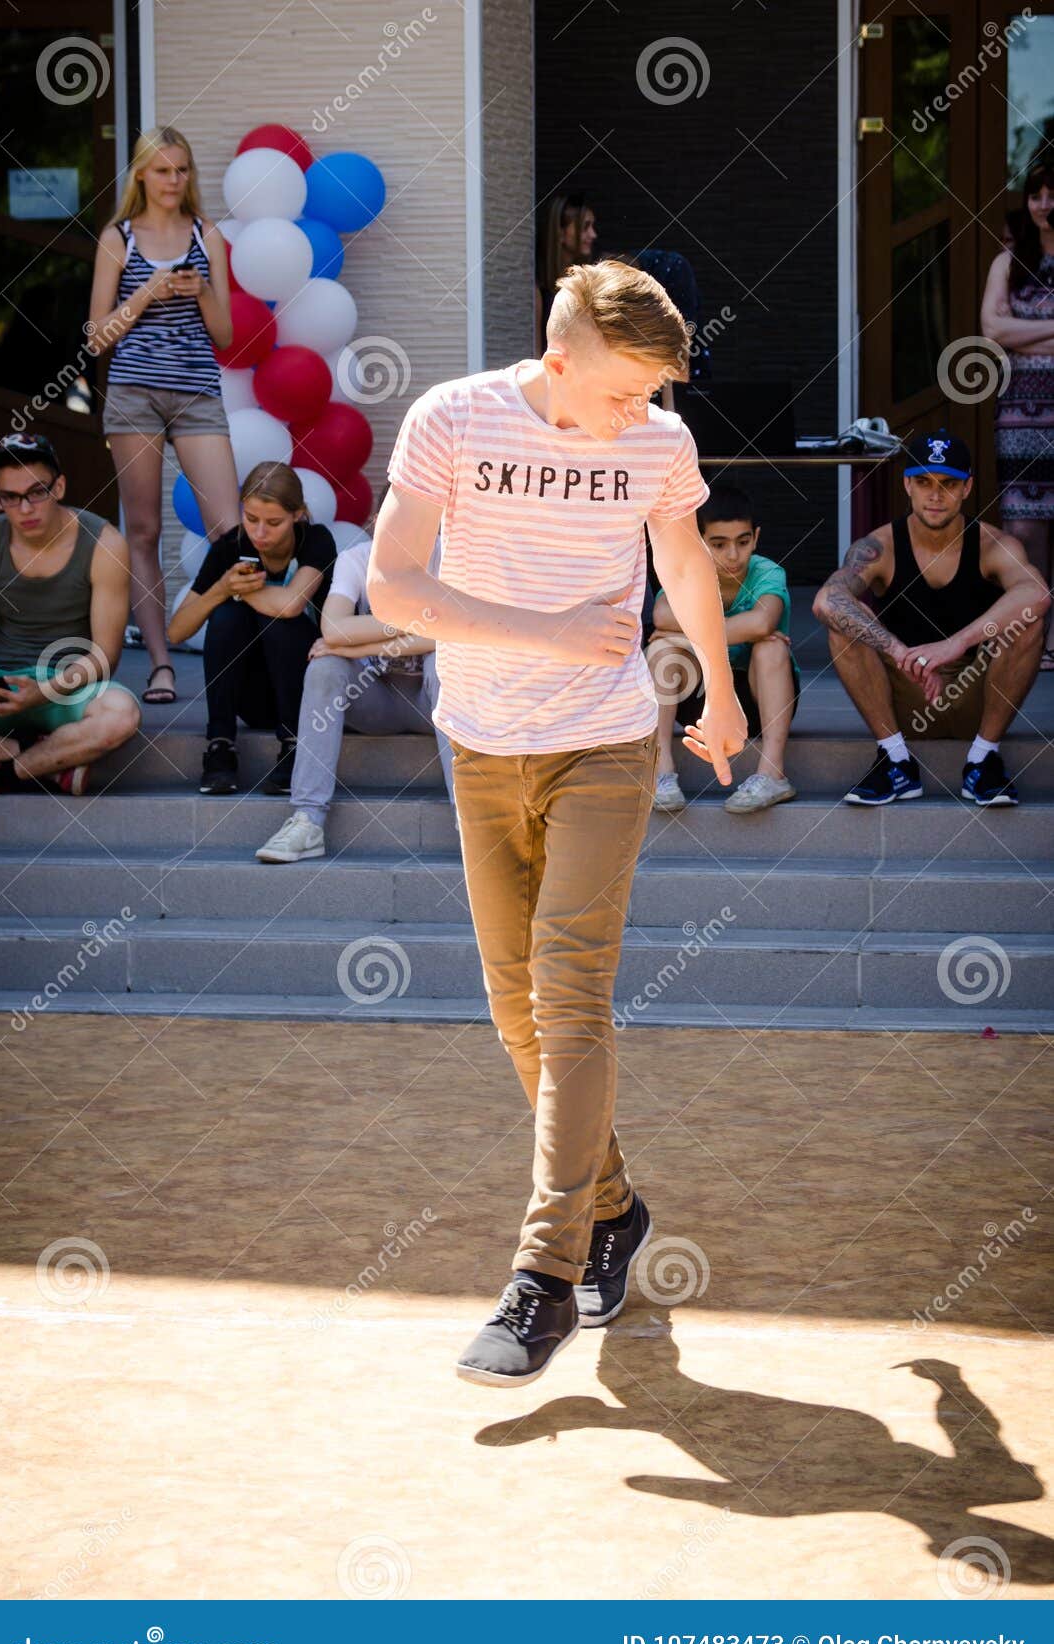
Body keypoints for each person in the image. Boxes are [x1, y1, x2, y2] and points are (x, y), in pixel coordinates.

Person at [367, 258, 746, 1387]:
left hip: (606, 744)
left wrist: (722, 691)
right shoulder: (453, 418)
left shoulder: (657, 443)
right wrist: (545, 630)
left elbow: (683, 558)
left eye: (654, 393)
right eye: (625, 390)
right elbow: (392, 585)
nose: (642, 412)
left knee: (569, 989)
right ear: (557, 358)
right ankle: (613, 1209)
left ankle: (545, 1273)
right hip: (482, 742)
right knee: (512, 1006)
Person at [812, 431, 1050, 807]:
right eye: (923, 482)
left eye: (948, 484)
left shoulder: (993, 545)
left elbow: (1037, 593)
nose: (935, 495)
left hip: (978, 695)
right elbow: (827, 601)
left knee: (1030, 619)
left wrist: (955, 644)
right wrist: (899, 651)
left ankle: (983, 759)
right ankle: (895, 760)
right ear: (907, 485)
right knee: (843, 622)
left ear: (967, 487)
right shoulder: (879, 546)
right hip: (905, 695)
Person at [87, 125, 238, 706]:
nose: (174, 180)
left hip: (196, 392)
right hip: (134, 395)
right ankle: (160, 665)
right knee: (144, 532)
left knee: (229, 532)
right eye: (163, 170)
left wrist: (201, 292)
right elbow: (97, 336)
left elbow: (225, 335)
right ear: (142, 175)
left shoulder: (206, 234)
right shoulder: (118, 237)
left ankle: (231, 656)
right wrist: (146, 292)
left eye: (182, 169)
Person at [255, 526, 453, 864]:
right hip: (374, 699)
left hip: (431, 702)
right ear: (379, 523)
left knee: (446, 660)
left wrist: (358, 645)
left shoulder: (451, 557)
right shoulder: (357, 559)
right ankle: (307, 820)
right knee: (325, 667)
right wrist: (418, 624)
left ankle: (469, 821)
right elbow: (333, 629)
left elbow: (452, 635)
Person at [167, 462, 337, 796]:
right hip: (252, 696)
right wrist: (221, 589)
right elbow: (176, 632)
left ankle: (294, 744)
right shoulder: (231, 546)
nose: (259, 533)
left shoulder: (315, 539)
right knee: (227, 615)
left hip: (308, 695)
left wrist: (242, 592)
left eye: (273, 523)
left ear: (297, 515)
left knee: (278, 621)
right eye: (251, 518)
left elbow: (291, 604)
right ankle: (220, 745)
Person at [0, 433, 140, 796]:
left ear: (58, 487)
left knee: (121, 714)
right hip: (2, 685)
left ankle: (10, 770)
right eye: (10, 497)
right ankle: (49, 762)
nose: (24, 509)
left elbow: (105, 656)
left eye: (36, 492)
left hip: (67, 684)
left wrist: (43, 692)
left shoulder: (105, 543)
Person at [646, 483, 799, 813]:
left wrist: (688, 630)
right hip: (701, 708)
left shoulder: (767, 572)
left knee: (771, 648)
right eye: (719, 544)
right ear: (699, 541)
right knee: (663, 651)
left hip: (759, 703)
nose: (732, 554)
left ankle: (772, 773)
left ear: (755, 537)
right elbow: (661, 615)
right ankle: (661, 769)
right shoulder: (687, 572)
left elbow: (763, 622)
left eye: (742, 542)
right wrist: (744, 630)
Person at [982, 153, 1054, 668]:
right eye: (1036, 195)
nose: (1044, 204)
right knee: (1026, 530)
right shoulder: (1008, 262)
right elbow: (993, 330)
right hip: (1021, 417)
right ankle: (1036, 637)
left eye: (1053, 195)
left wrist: (1022, 334)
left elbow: (1010, 331)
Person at [534, 191, 597, 356]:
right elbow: (536, 354)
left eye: (592, 226)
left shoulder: (588, 282)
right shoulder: (539, 292)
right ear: (560, 233)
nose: (593, 234)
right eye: (584, 227)